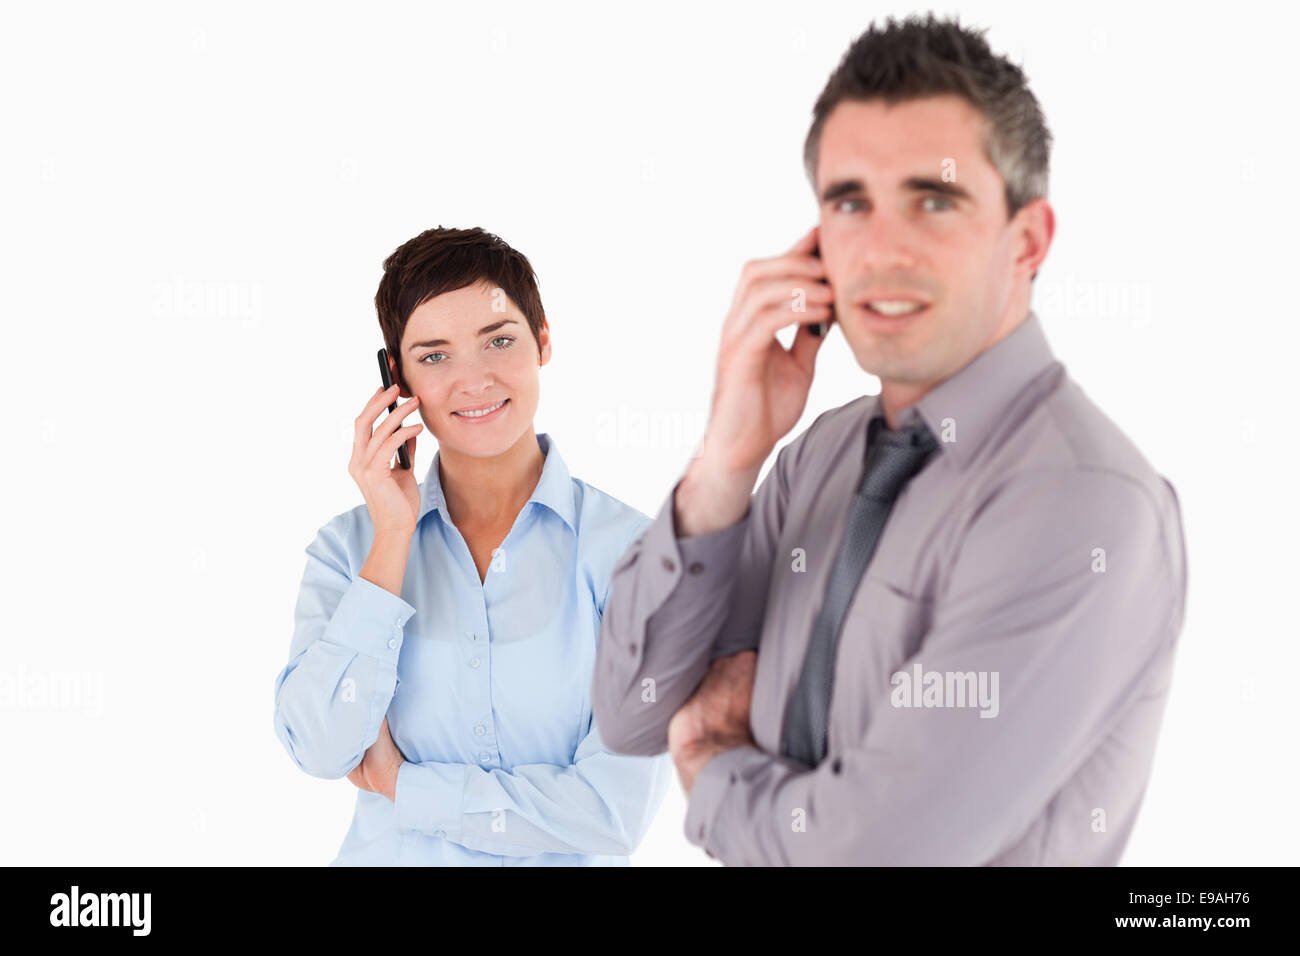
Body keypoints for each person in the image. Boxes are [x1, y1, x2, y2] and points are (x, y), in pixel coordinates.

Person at [592, 13, 1188, 865]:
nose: (880, 251)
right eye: (850, 203)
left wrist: (712, 764)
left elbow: (870, 854)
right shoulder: (816, 460)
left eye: (933, 199)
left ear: (1027, 241)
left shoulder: (1084, 502)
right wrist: (726, 460)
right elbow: (633, 711)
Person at [274, 226, 671, 865]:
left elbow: (610, 813)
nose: (474, 380)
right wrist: (394, 538)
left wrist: (401, 785)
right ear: (394, 376)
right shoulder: (347, 550)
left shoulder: (633, 554)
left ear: (543, 339)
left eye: (499, 341)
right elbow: (321, 747)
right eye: (434, 356)